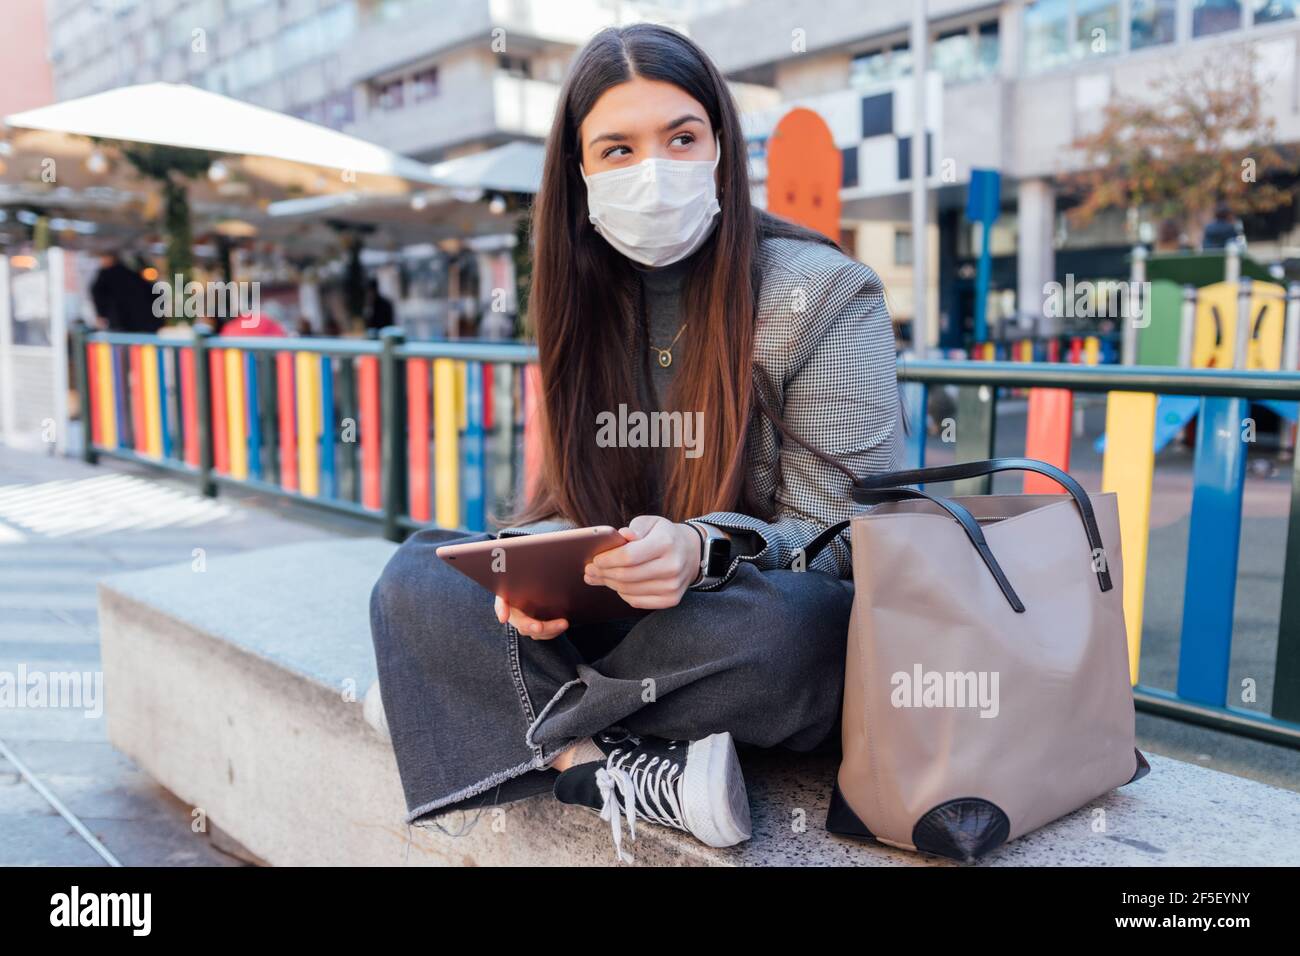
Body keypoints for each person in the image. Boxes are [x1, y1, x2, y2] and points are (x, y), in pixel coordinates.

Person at [369, 23, 901, 862]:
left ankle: (470, 702)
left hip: (752, 622)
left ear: (720, 146)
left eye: (681, 138)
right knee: (412, 580)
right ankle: (604, 761)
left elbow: (854, 538)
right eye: (616, 149)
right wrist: (535, 578)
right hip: (624, 629)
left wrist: (700, 549)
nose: (653, 170)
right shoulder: (584, 299)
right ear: (580, 176)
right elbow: (563, 508)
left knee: (790, 636)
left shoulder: (825, 293)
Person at [90, 253, 162, 333]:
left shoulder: (106, 276)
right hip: (148, 324)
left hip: (124, 325)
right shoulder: (132, 274)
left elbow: (98, 294)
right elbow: (155, 294)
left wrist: (102, 315)